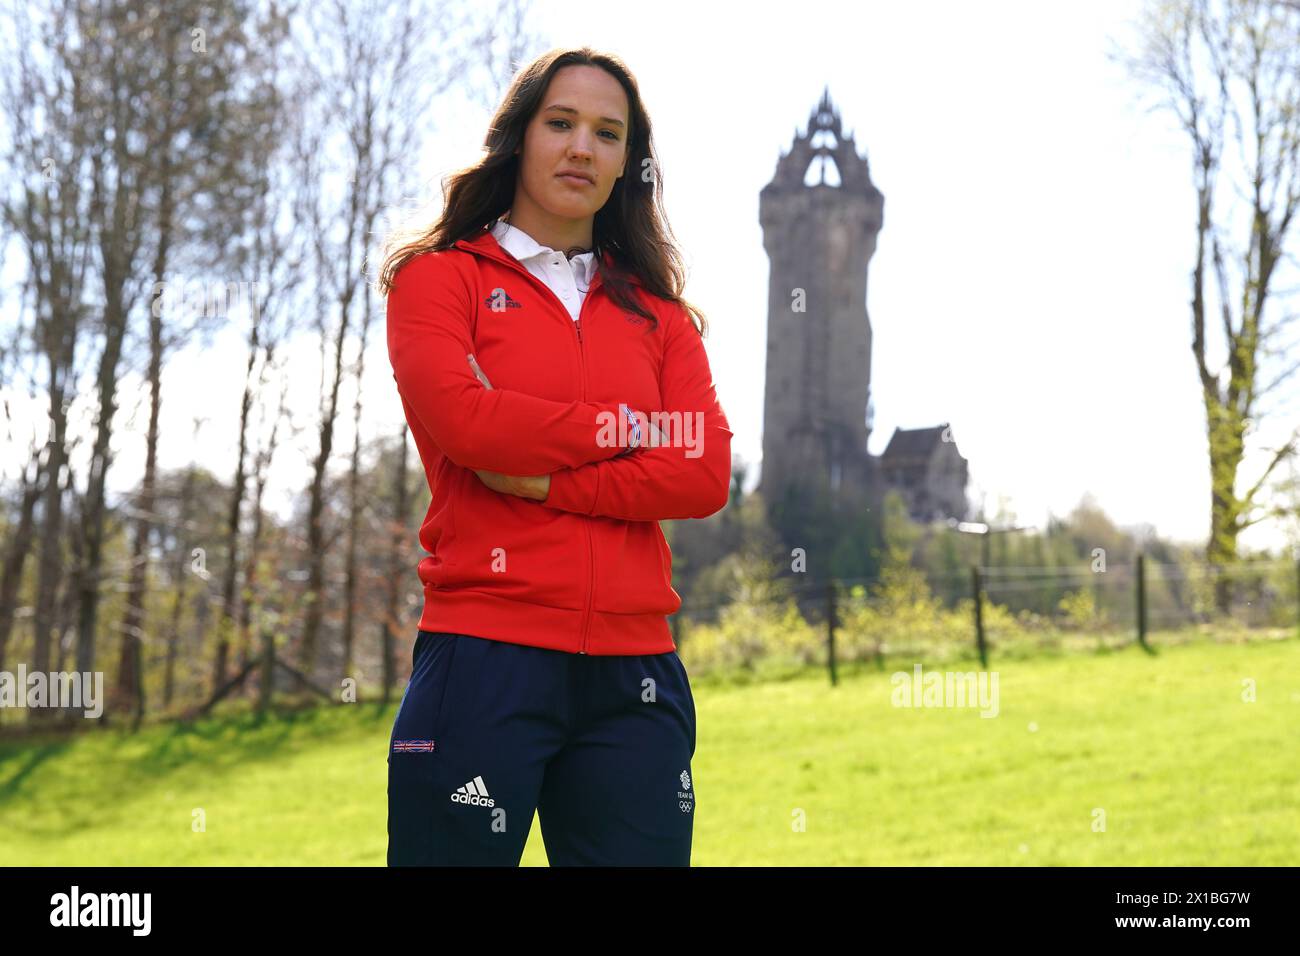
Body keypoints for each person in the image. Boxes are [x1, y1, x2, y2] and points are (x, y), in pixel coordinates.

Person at [375, 45, 733, 866]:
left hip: (636, 677)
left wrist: (541, 478)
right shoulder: (439, 282)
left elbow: (705, 470)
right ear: (519, 138)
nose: (582, 147)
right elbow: (470, 427)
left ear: (626, 167)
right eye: (561, 123)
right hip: (483, 659)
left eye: (607, 134)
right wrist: (632, 427)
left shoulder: (662, 319)